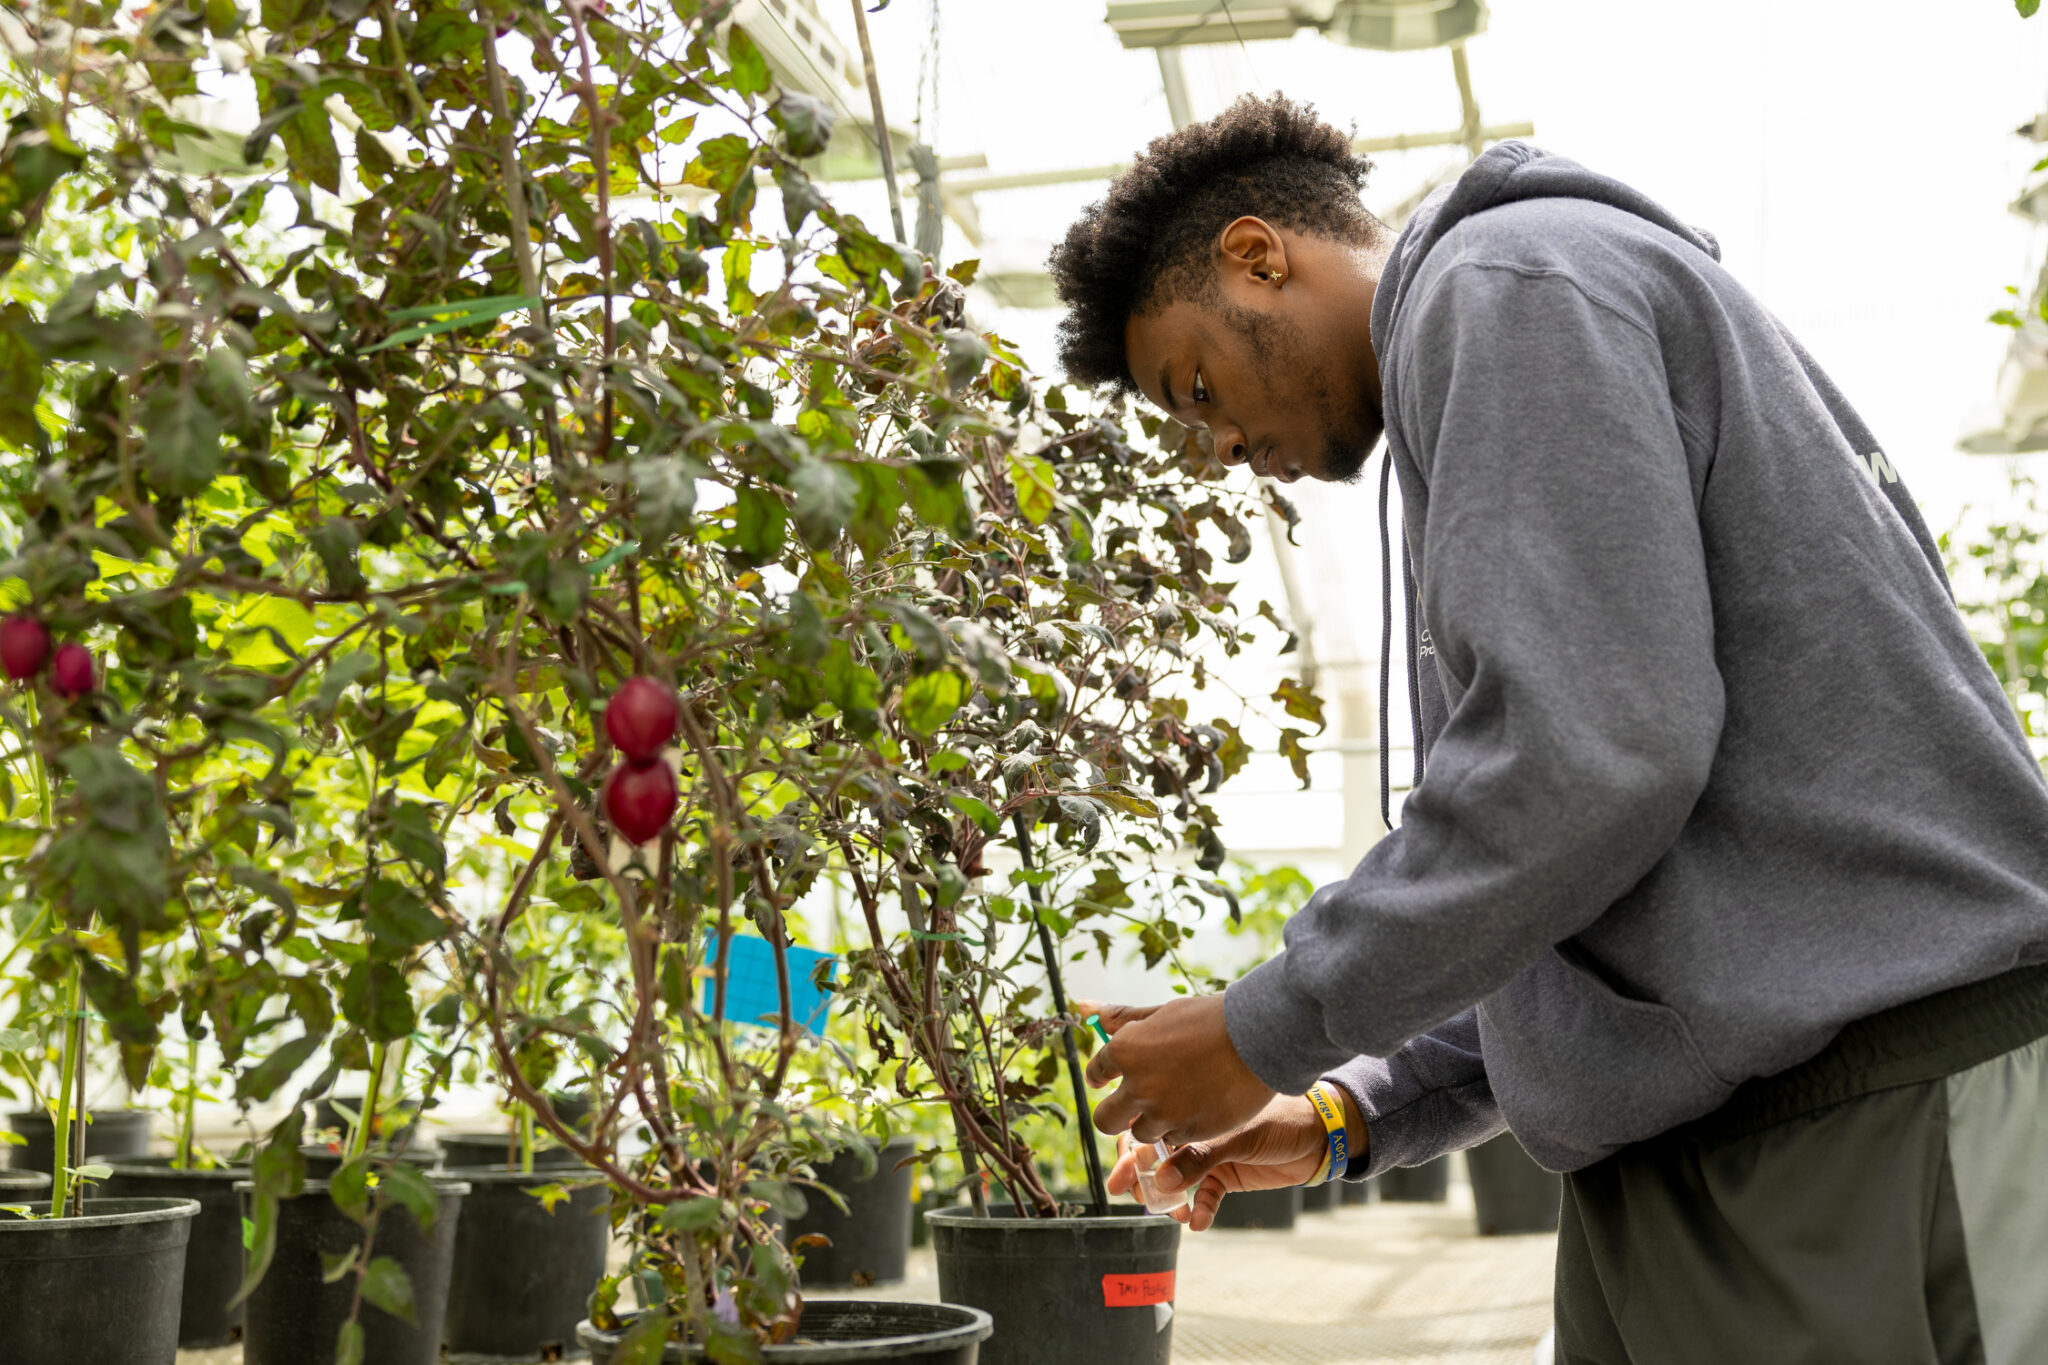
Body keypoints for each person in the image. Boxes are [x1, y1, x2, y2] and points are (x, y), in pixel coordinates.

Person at [1052, 94, 2048, 1362]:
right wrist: (1353, 1111)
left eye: (1196, 386)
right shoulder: (1493, 341)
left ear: (1259, 255)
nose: (1223, 445)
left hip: (1856, 1127)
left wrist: (1269, 1022)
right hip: (1718, 1148)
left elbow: (1583, 766)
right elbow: (1596, 861)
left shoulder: (1508, 285)